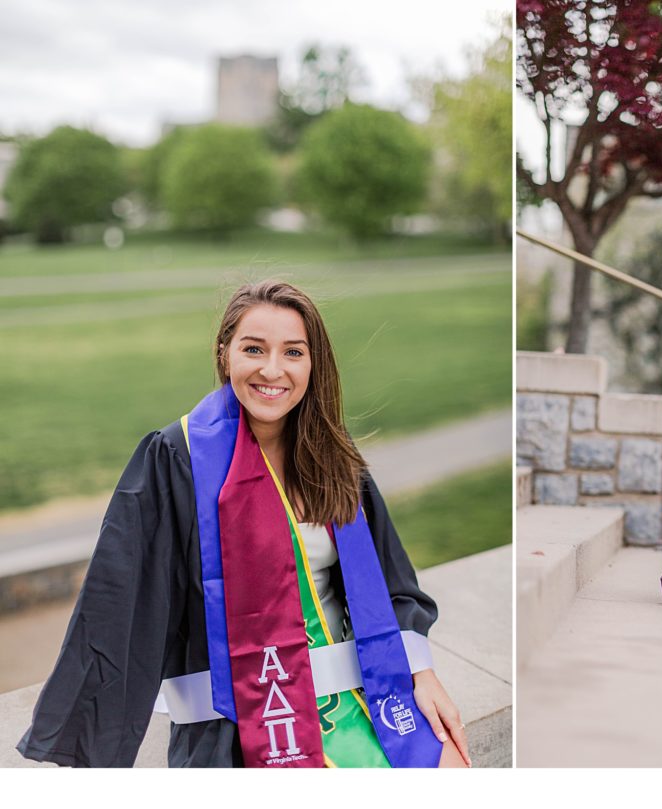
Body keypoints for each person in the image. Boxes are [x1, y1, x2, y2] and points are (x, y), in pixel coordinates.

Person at [18, 280, 470, 768]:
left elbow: (392, 581)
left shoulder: (334, 457)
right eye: (253, 348)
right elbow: (121, 600)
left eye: (293, 352)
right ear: (224, 353)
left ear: (313, 364)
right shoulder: (179, 457)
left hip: (366, 695)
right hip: (245, 717)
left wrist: (421, 672)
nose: (272, 370)